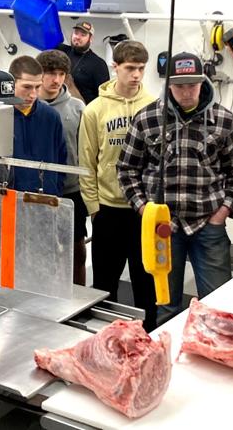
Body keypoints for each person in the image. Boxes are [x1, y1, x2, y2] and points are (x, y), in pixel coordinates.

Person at [118, 52, 233, 323]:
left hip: (208, 226)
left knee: (217, 304)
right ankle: (168, 361)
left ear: (203, 82)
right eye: (179, 85)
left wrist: (222, 212)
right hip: (163, 228)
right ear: (168, 85)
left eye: (192, 84)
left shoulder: (224, 120)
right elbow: (127, 169)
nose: (186, 92)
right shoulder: (147, 118)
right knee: (165, 304)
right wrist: (144, 209)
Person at [78, 40, 158, 331]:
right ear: (116, 67)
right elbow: (86, 160)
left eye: (140, 69)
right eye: (129, 68)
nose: (136, 75)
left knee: (145, 281)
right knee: (104, 285)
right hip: (108, 209)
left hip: (144, 210)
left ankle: (148, 337)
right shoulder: (95, 110)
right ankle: (103, 340)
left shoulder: (153, 107)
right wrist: (94, 207)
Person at [36, 49, 88, 285]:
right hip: (36, 193)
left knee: (75, 250)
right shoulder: (27, 106)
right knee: (40, 251)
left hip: (71, 191)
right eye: (50, 73)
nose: (56, 80)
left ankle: (78, 299)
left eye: (61, 74)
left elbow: (87, 151)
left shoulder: (78, 109)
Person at [1, 56, 66, 196]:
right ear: (11, 83)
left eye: (37, 87)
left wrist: (55, 189)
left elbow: (62, 159)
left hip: (45, 201)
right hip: (8, 201)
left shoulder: (51, 116)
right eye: (27, 87)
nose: (33, 94)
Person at [58, 21, 110, 104]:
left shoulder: (98, 64)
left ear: (91, 39)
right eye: (76, 33)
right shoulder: (60, 51)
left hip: (83, 111)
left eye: (83, 35)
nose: (78, 37)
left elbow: (104, 97)